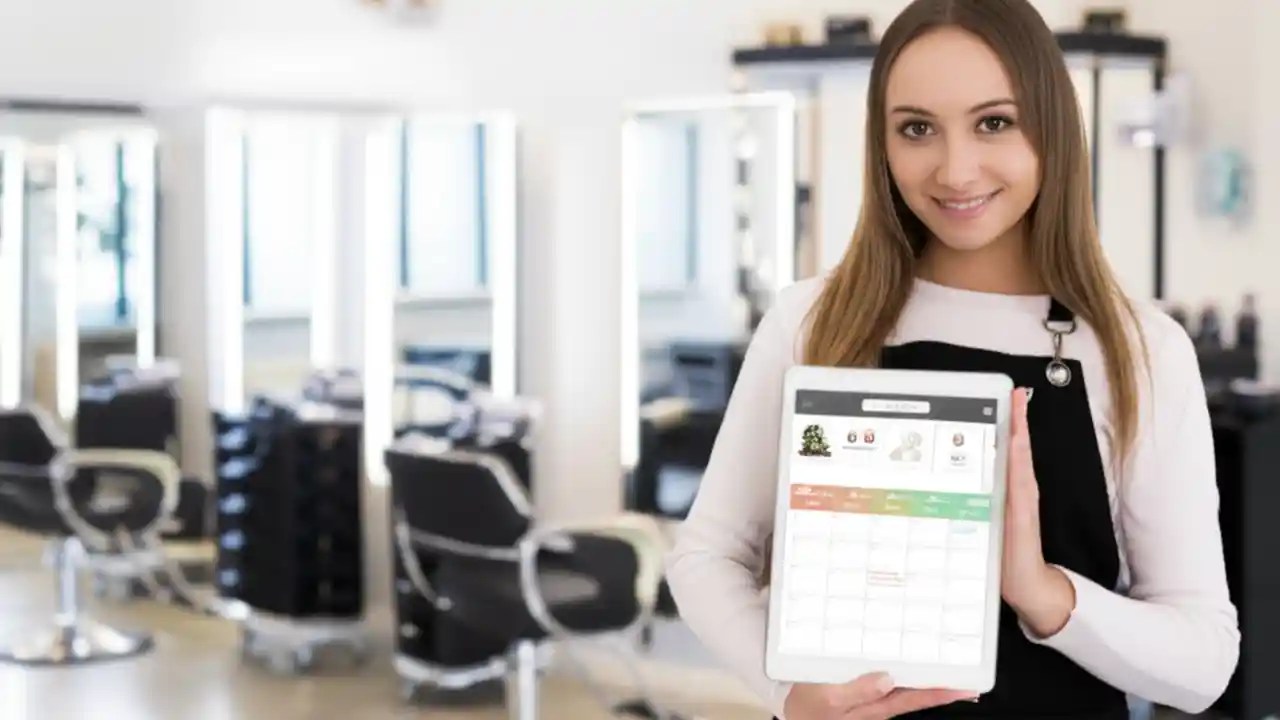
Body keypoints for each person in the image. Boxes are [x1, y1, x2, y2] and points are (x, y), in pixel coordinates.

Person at [663, 1, 1240, 718]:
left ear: (1051, 129)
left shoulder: (1140, 350)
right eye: (917, 129)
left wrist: (1038, 588)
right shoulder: (812, 321)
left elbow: (1203, 664)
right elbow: (705, 557)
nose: (955, 169)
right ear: (883, 144)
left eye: (994, 122)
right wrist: (789, 694)